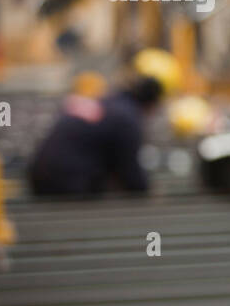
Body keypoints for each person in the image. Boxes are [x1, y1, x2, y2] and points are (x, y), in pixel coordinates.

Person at [28, 48, 181, 196]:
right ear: (154, 96)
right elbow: (132, 178)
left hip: (44, 181)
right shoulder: (126, 119)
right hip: (64, 188)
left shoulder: (114, 104)